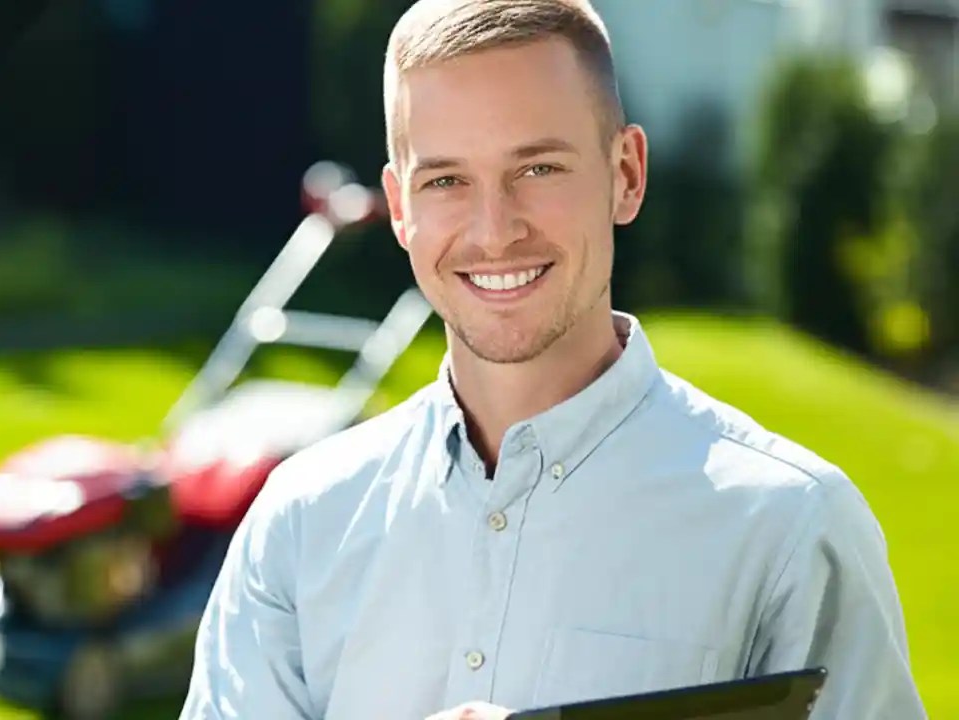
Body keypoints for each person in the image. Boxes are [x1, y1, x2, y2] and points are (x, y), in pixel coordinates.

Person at [177, 1, 927, 718]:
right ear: (400, 208)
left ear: (626, 173)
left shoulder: (789, 529)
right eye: (446, 180)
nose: (494, 230)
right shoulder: (300, 521)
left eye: (537, 169)